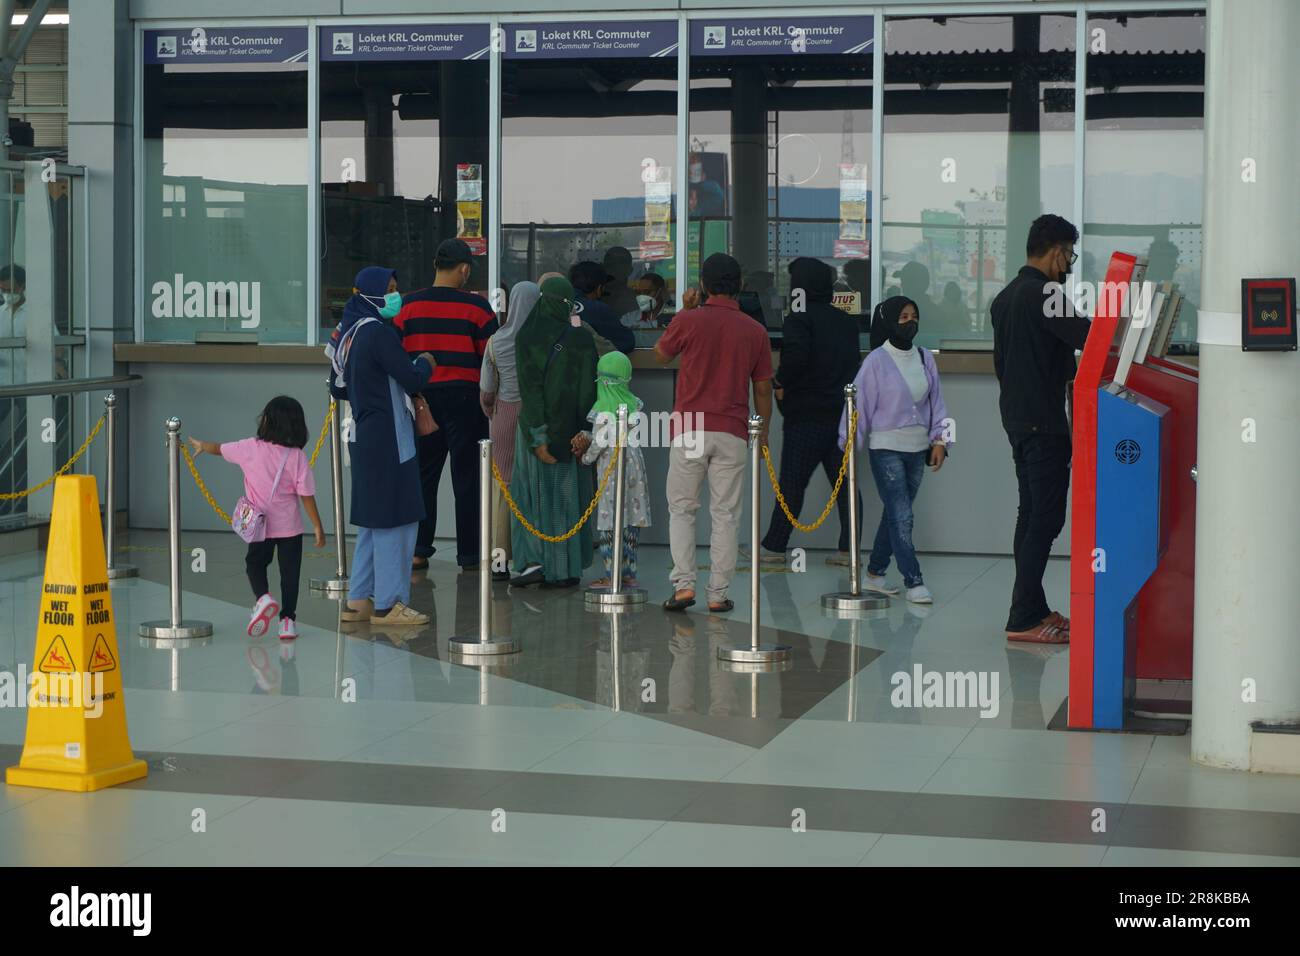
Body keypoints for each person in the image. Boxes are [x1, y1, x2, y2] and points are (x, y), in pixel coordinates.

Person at [991, 213, 1091, 644]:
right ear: (1056, 252)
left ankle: (1030, 606)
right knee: (1045, 521)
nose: (1069, 263)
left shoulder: (1006, 296)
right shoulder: (1047, 294)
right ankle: (1022, 617)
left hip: (1017, 419)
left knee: (1029, 515)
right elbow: (1090, 338)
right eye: (1069, 254)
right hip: (1046, 423)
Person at [656, 252, 773, 613]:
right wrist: (763, 432)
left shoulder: (689, 320)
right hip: (733, 430)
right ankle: (718, 594)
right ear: (740, 286)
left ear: (703, 285)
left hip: (689, 428)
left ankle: (684, 586)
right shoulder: (755, 331)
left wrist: (684, 311)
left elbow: (661, 355)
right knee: (725, 513)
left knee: (682, 509)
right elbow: (764, 388)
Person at [328, 266, 436, 626]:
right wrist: (425, 363)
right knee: (397, 519)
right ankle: (390, 604)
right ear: (371, 294)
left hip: (364, 433)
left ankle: (358, 601)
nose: (395, 296)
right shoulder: (378, 333)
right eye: (388, 289)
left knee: (374, 522)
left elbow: (337, 387)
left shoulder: (348, 333)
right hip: (390, 437)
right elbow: (410, 376)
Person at [394, 238, 497, 573]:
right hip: (466, 401)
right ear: (464, 269)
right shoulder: (478, 309)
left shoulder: (407, 307)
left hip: (421, 400)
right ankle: (469, 555)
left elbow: (395, 355)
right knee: (468, 478)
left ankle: (419, 550)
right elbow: (490, 360)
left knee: (423, 476)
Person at [842, 296, 952, 604]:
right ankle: (913, 580)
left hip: (917, 448)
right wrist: (848, 443)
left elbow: (937, 402)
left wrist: (940, 440)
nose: (909, 322)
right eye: (902, 317)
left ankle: (875, 574)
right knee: (902, 516)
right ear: (890, 321)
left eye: (914, 316)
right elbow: (858, 406)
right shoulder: (876, 360)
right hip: (885, 446)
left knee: (895, 514)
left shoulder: (924, 357)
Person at [187, 397, 326, 641]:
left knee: (254, 564)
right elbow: (306, 496)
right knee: (290, 574)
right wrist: (317, 525)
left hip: (259, 527)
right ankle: (287, 622)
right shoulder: (297, 457)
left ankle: (263, 598)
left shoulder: (250, 447)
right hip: (290, 528)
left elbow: (219, 448)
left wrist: (201, 445)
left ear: (268, 421)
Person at [757, 257, 861, 567]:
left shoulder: (798, 318)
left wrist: (779, 380)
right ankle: (849, 550)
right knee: (845, 484)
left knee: (791, 482)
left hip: (806, 415)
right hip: (841, 414)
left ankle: (775, 548)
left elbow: (797, 357)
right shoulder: (845, 321)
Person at [508, 275, 599, 588]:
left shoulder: (526, 337)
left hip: (537, 432)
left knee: (533, 499)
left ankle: (536, 563)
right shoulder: (583, 338)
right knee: (568, 500)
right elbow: (591, 390)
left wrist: (538, 436)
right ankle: (568, 568)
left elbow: (530, 392)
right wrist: (586, 432)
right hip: (573, 434)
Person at [572, 351, 652, 588]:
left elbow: (599, 444)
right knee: (630, 520)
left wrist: (585, 458)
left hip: (612, 470)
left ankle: (610, 574)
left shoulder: (604, 411)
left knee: (609, 522)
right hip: (634, 469)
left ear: (603, 382)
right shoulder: (633, 406)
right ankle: (629, 573)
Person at [481, 280, 540, 578]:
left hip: (504, 414)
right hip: (535, 416)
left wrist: (491, 410)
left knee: (502, 486)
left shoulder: (496, 340)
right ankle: (531, 558)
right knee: (531, 484)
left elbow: (486, 391)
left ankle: (499, 559)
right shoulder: (543, 340)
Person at [569, 260, 635, 356]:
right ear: (600, 288)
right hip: (590, 367)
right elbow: (627, 342)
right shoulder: (598, 309)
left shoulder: (560, 305)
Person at [600, 246, 641, 326]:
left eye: (621, 264)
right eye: (611, 265)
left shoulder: (633, 298)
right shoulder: (592, 297)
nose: (616, 269)